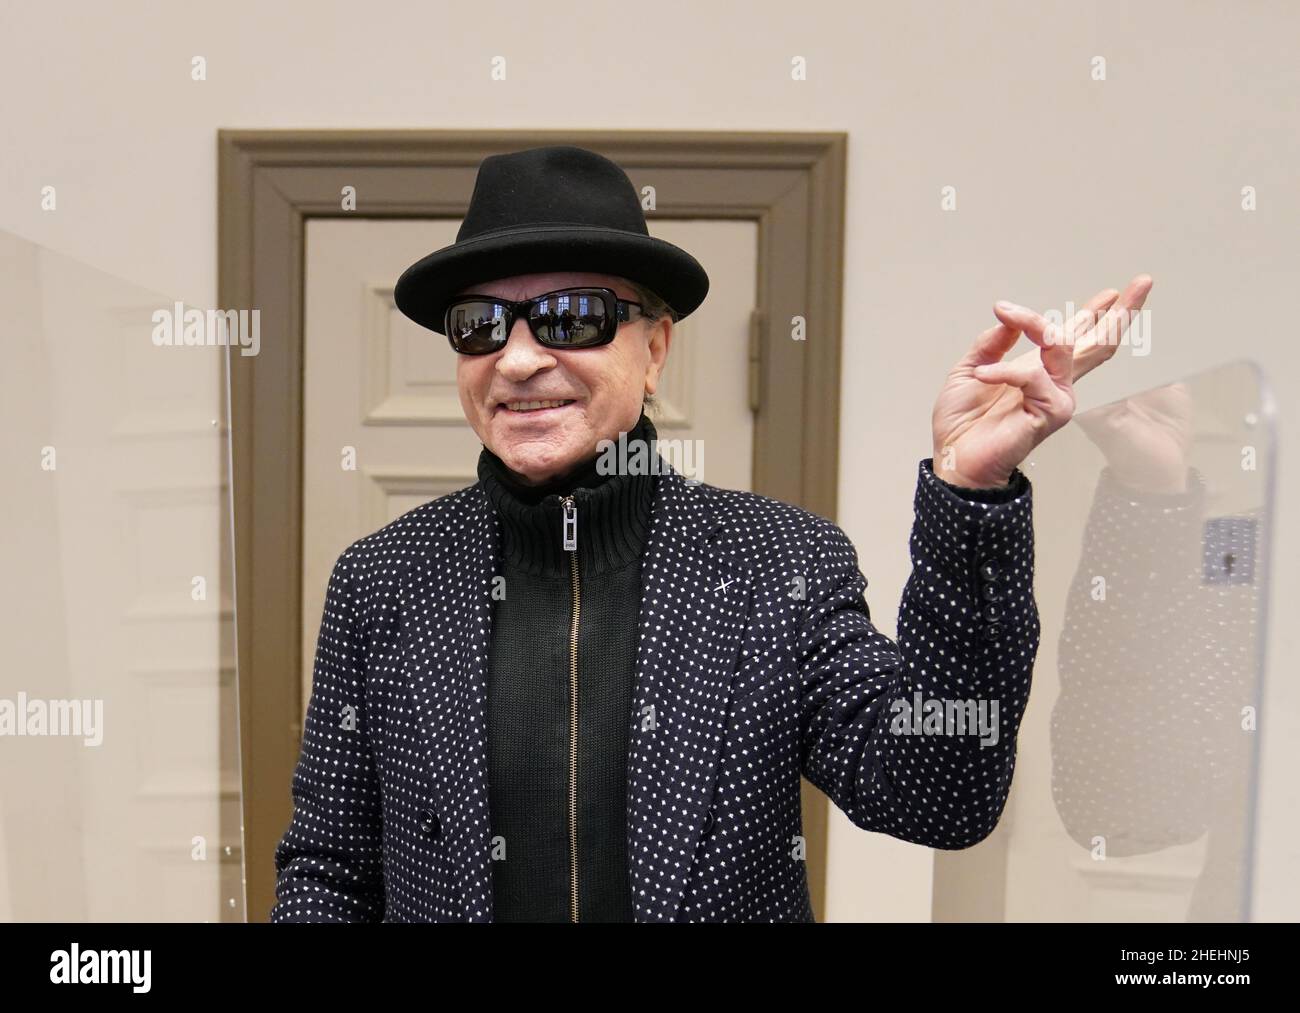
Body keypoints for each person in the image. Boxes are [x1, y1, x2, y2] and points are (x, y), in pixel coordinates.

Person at [270, 144, 1151, 922]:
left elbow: (938, 795)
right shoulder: (383, 580)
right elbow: (330, 868)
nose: (519, 358)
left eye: (572, 315)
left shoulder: (778, 561)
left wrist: (970, 489)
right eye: (480, 325)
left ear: (655, 351)